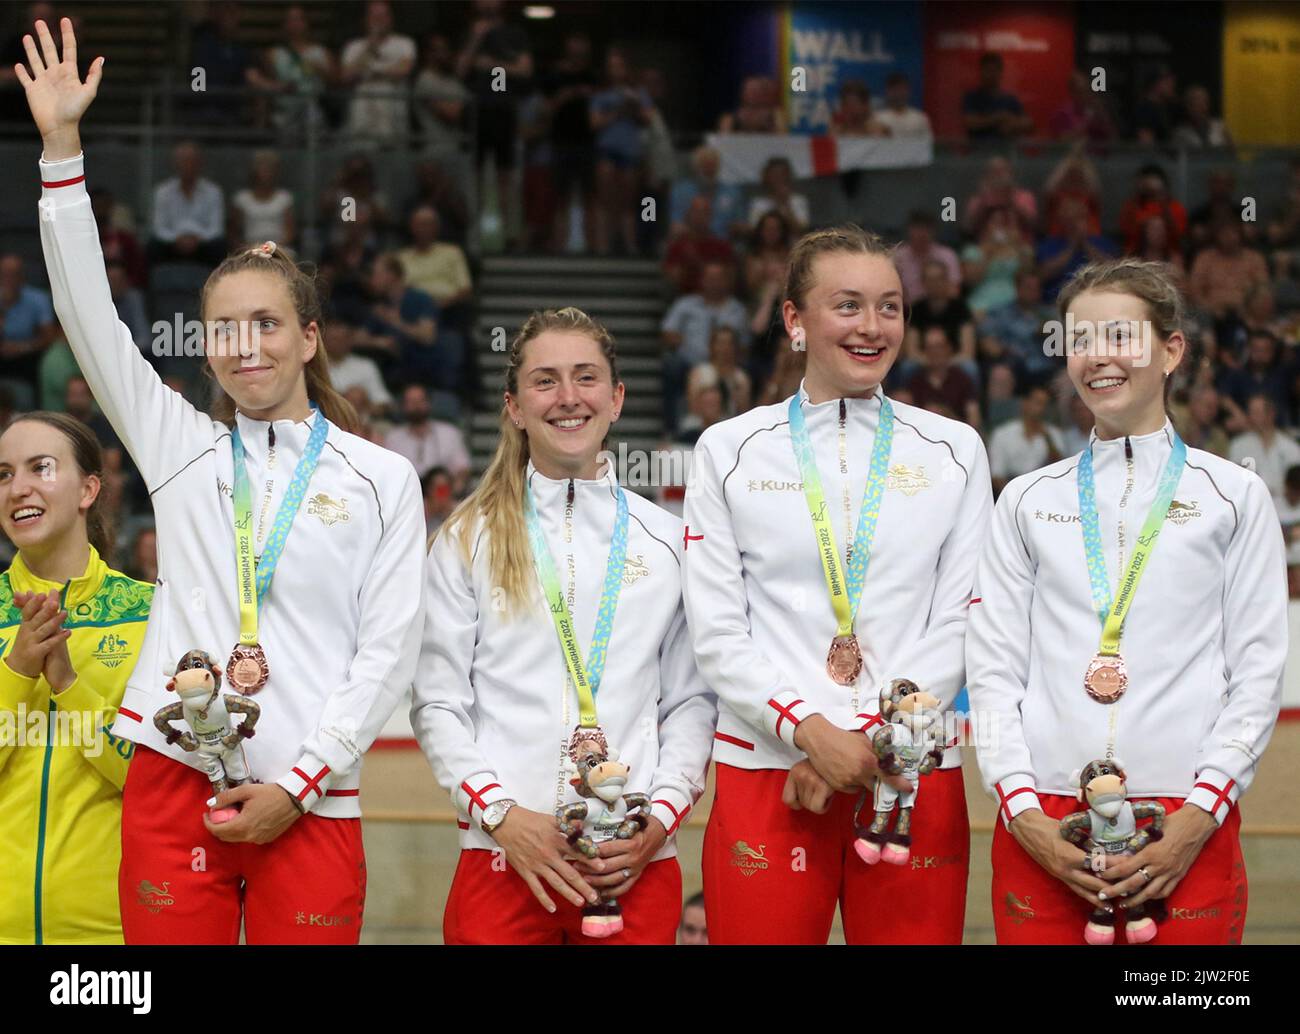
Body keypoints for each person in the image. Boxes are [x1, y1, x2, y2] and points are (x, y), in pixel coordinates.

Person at [22, 17, 426, 944]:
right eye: (225, 328)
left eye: (269, 324)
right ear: (204, 347)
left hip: (312, 794)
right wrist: (61, 153)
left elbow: (387, 653)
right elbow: (88, 316)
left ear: (310, 337)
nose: (247, 345)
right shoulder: (182, 449)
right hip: (173, 774)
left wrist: (304, 778)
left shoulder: (380, 478)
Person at [683, 225, 992, 944]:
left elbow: (964, 619)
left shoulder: (956, 451)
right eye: (847, 305)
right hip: (770, 764)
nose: (872, 326)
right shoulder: (728, 451)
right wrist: (810, 731)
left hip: (911, 766)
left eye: (890, 306)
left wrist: (868, 743)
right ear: (795, 319)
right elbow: (718, 632)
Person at [967, 258, 1285, 944]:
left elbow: (1257, 675)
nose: (1097, 359)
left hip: (1186, 822)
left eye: (1120, 337)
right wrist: (1025, 815)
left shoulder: (1233, 495)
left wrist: (1201, 813)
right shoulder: (1026, 499)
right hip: (1045, 821)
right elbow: (991, 675)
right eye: (1081, 340)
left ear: (1172, 350)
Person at [412, 307, 715, 944]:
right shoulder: (467, 539)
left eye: (586, 377)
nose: (568, 398)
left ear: (617, 398)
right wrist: (501, 815)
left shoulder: (669, 542)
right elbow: (438, 702)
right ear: (515, 406)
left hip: (629, 864)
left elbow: (691, 701)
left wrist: (657, 821)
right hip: (504, 856)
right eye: (545, 381)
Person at [0, 412, 152, 943]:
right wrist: (17, 672)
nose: (18, 487)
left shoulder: (150, 615)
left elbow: (150, 784)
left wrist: (68, 686)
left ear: (89, 488)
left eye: (40, 467)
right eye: (3, 474)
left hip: (110, 937)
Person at [339, 0, 416, 145]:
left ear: (391, 19)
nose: (379, 21)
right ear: (365, 20)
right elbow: (346, 76)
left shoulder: (405, 43)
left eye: (383, 16)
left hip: (393, 118)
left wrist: (371, 71)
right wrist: (370, 47)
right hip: (362, 119)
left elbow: (404, 70)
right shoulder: (353, 47)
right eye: (375, 17)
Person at [149, 141, 226, 265]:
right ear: (175, 164)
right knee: (153, 247)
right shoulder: (162, 191)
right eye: (183, 161)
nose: (188, 165)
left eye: (192, 161)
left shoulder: (213, 191)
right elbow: (159, 228)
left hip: (203, 245)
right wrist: (177, 239)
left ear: (200, 164)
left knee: (219, 246)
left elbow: (216, 228)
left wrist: (196, 239)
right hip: (172, 244)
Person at [383, 383, 470, 489]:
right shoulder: (393, 437)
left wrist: (453, 494)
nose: (416, 405)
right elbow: (388, 474)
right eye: (411, 402)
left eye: (420, 400)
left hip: (441, 494)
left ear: (429, 403)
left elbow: (462, 469)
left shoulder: (449, 433)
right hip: (405, 493)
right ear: (403, 406)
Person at [988, 385, 1066, 497]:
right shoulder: (1002, 434)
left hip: (1045, 493)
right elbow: (996, 475)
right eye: (1038, 403)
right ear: (1024, 403)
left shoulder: (1053, 434)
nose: (1041, 409)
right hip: (1009, 491)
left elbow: (1061, 470)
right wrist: (1015, 497)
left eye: (1045, 405)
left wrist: (1047, 438)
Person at [1229, 394, 1300, 506]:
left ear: (1271, 414)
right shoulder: (1238, 445)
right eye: (1250, 412)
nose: (1251, 417)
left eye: (1256, 413)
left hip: (1288, 511)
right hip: (1252, 508)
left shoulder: (1291, 447)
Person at [230, 150, 295, 251]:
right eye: (262, 169)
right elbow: (233, 232)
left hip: (280, 248)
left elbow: (290, 233)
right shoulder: (241, 198)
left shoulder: (285, 198)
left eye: (270, 169)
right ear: (254, 171)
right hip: (249, 248)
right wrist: (245, 248)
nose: (266, 174)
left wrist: (270, 249)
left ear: (276, 172)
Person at [962, 53, 1032, 142]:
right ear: (981, 71)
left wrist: (1012, 123)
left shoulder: (1010, 99)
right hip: (979, 153)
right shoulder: (972, 97)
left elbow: (1028, 124)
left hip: (1006, 152)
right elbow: (970, 123)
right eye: (987, 70)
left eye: (994, 70)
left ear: (1001, 72)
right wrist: (998, 118)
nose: (991, 74)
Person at [874, 72, 931, 139]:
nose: (898, 94)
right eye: (894, 90)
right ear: (887, 92)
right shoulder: (878, 118)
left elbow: (927, 144)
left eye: (901, 89)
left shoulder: (919, 118)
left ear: (908, 91)